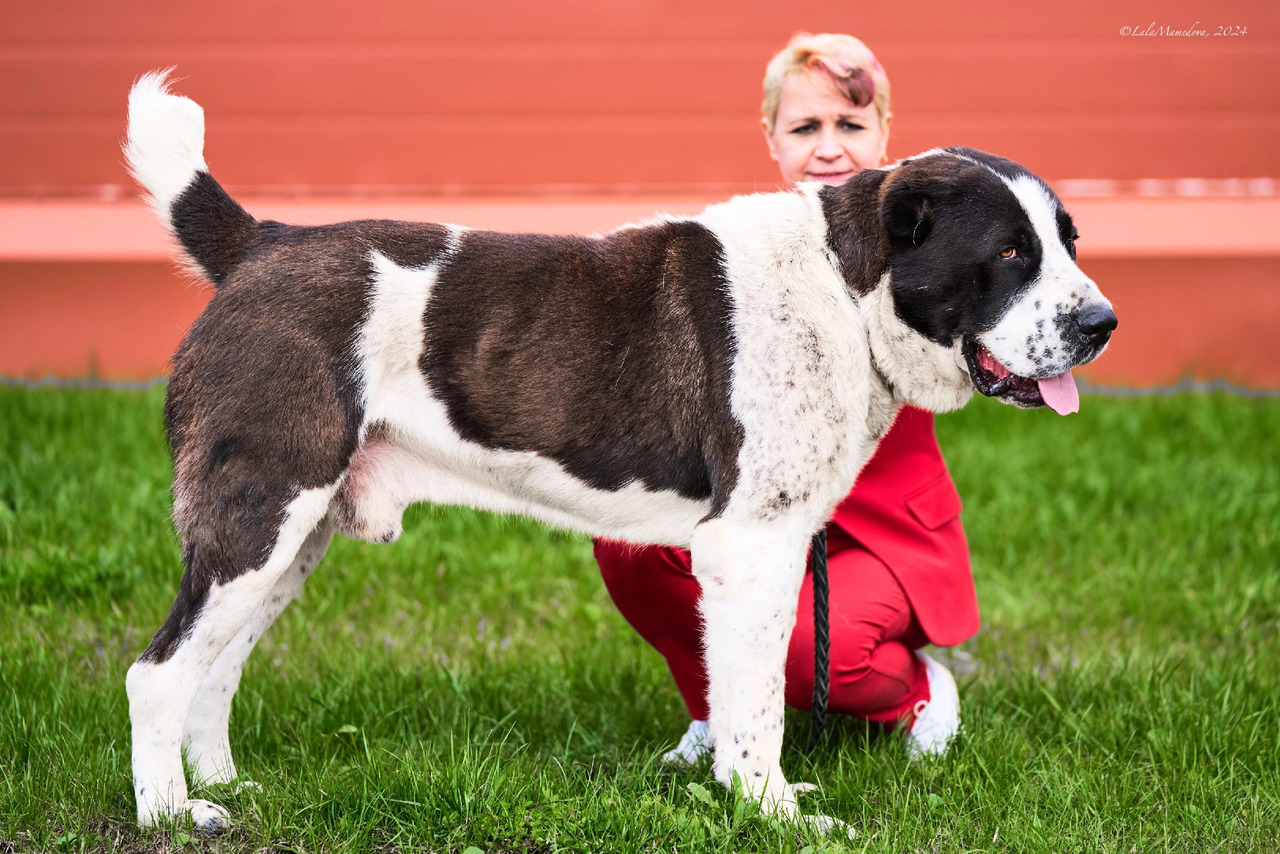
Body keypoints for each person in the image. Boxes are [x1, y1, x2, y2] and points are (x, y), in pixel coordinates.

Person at [593, 33, 979, 764]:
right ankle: (721, 712)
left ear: (885, 135)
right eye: (805, 128)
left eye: (850, 125)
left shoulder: (930, 242)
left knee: (810, 656)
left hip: (872, 530)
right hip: (761, 500)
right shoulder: (749, 247)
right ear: (771, 139)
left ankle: (915, 688)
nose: (829, 147)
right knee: (629, 542)